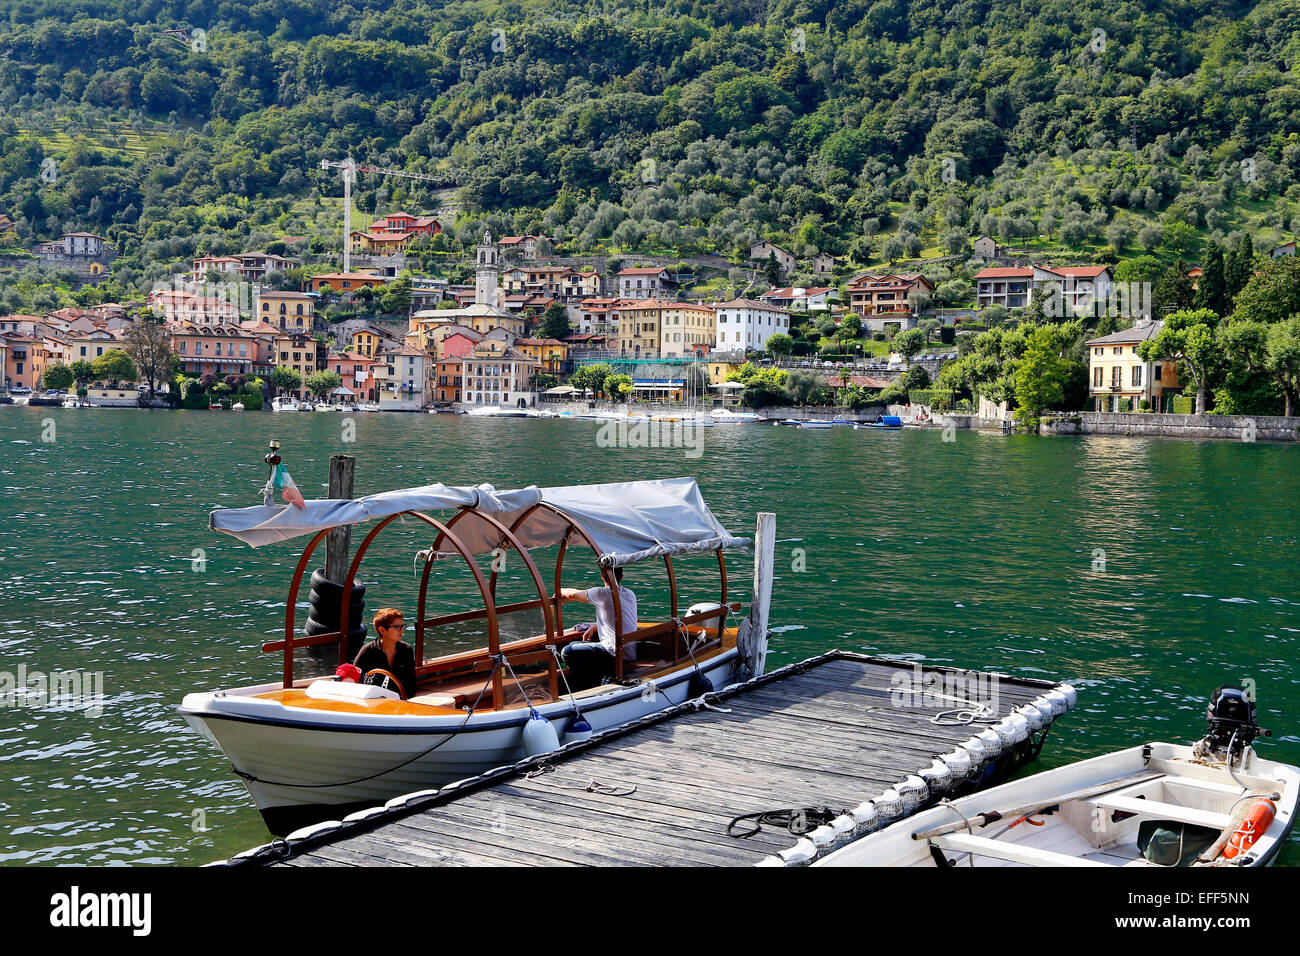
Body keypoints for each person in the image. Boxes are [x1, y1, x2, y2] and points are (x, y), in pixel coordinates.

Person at [559, 567, 638, 691]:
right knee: (575, 644)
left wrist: (560, 590)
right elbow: (619, 616)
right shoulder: (630, 593)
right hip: (629, 650)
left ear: (602, 576)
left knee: (567, 651)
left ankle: (590, 684)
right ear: (621, 576)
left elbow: (572, 594)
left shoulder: (602, 593)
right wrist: (595, 627)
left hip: (614, 651)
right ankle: (596, 678)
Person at [352, 607, 418, 700]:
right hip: (373, 702)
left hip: (400, 702)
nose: (402, 630)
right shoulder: (368, 650)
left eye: (402, 626)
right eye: (397, 627)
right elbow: (354, 678)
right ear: (382, 630)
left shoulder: (407, 649)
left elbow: (411, 684)